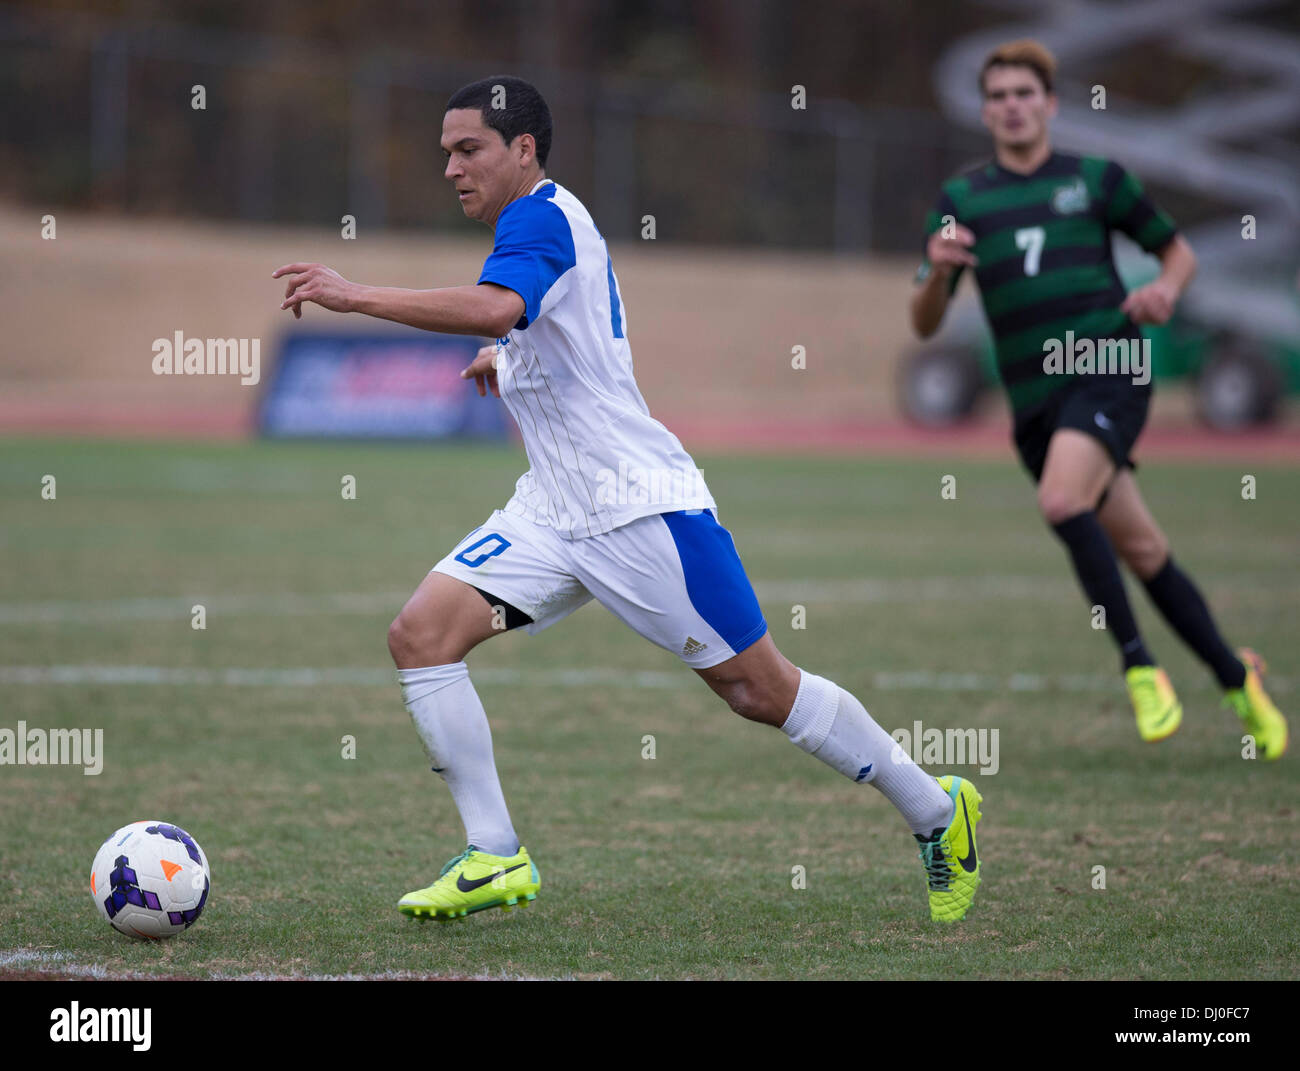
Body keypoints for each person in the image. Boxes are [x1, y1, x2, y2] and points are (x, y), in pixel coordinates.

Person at [274, 75, 984, 923]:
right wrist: (504, 361)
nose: (452, 168)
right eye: (446, 154)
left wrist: (356, 295)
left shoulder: (540, 213)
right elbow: (561, 330)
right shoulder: (530, 225)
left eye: (468, 150)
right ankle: (496, 853)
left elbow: (499, 305)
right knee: (421, 634)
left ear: (523, 149)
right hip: (553, 512)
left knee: (761, 689)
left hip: (638, 510)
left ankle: (938, 812)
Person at [910, 40, 1286, 757]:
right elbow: (924, 323)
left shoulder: (1097, 180)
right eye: (997, 96)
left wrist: (1164, 292)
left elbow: (1178, 252)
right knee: (1143, 548)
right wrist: (934, 272)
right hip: (1034, 403)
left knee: (1061, 501)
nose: (1012, 106)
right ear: (984, 111)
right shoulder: (963, 201)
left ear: (1051, 104)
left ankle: (1140, 666)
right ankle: (1240, 678)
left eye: (1025, 93)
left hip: (1109, 367)